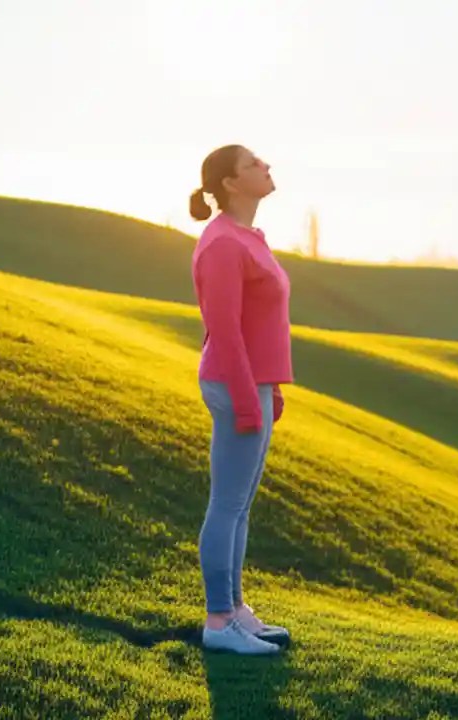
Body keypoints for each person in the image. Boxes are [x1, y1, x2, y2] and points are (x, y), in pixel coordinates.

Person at [189, 144, 293, 655]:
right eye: (253, 164)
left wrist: (268, 387)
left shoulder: (246, 237)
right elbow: (225, 330)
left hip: (252, 382)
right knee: (227, 503)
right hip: (234, 382)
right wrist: (248, 399)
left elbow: (257, 323)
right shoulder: (223, 244)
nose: (266, 166)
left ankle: (234, 610)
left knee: (241, 504)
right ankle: (217, 621)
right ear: (230, 183)